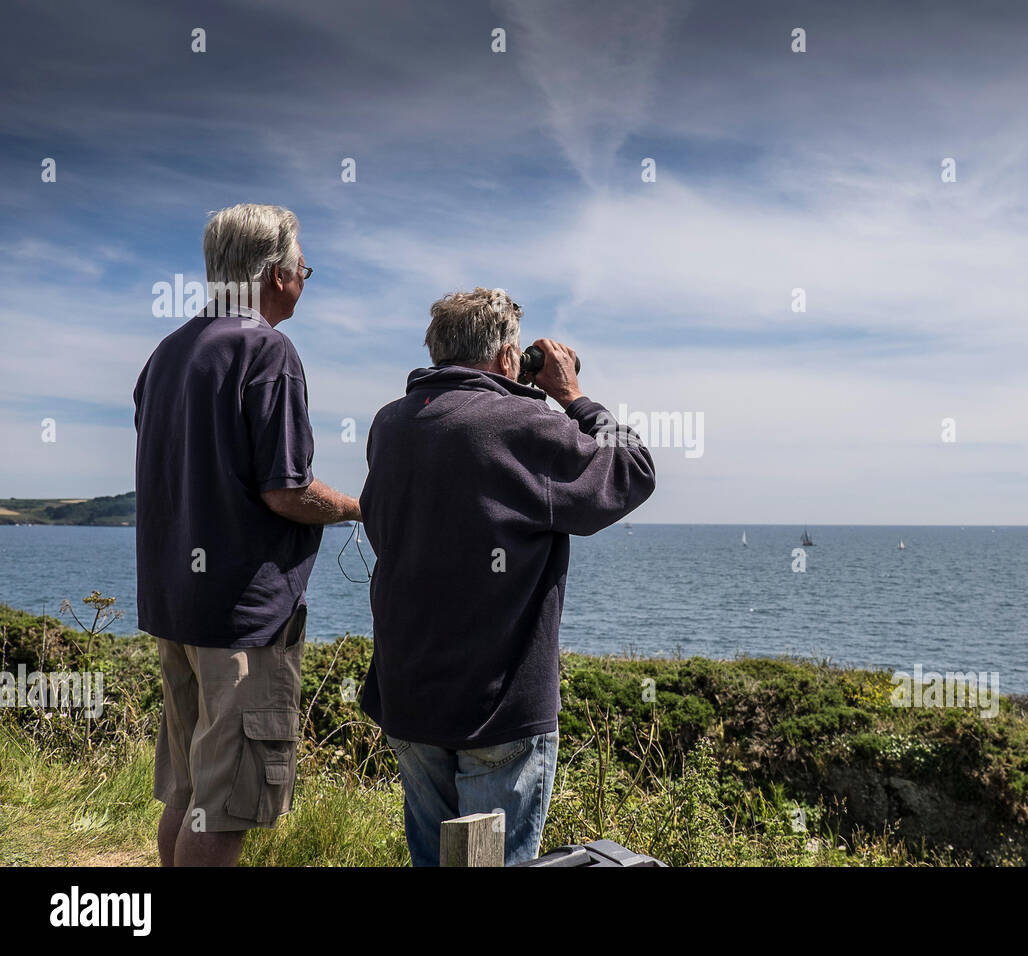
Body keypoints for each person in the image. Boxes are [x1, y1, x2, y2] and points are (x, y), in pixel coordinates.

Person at [359, 287, 655, 865]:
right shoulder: (523, 424)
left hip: (410, 696)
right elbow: (631, 468)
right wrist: (573, 396)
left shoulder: (388, 424)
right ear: (504, 357)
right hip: (499, 707)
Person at [134, 203, 361, 866]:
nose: (303, 280)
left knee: (188, 794)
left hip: (175, 606)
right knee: (226, 807)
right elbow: (287, 491)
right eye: (302, 267)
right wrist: (356, 506)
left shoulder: (167, 353)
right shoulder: (268, 350)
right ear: (274, 274)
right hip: (242, 619)